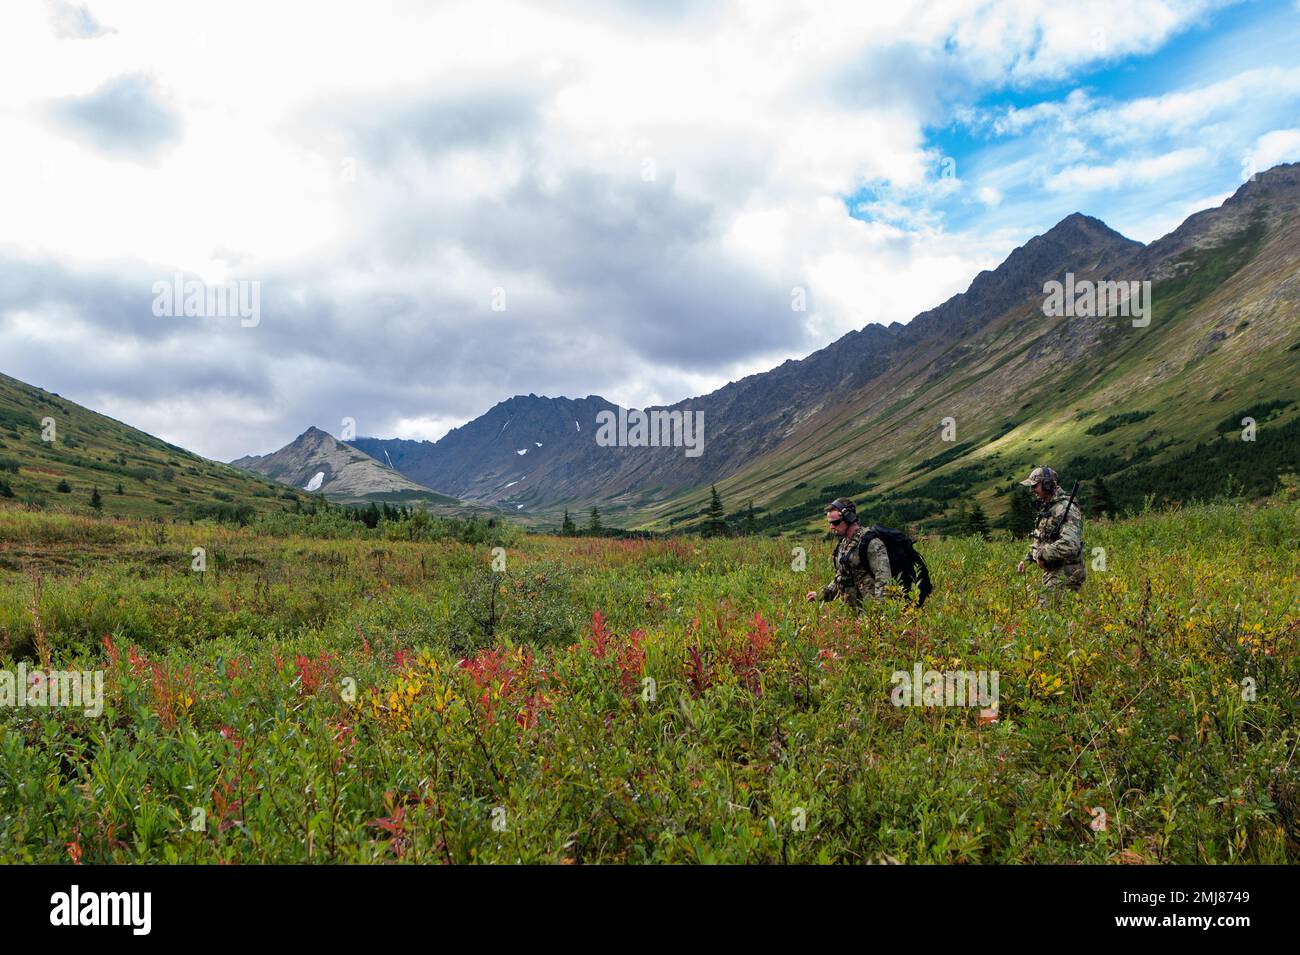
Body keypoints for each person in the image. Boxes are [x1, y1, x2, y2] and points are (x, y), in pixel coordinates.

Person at [805, 497, 892, 608]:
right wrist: (821, 595)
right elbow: (841, 579)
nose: (832, 527)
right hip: (853, 612)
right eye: (830, 523)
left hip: (871, 613)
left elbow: (884, 580)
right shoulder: (843, 544)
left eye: (835, 522)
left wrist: (879, 615)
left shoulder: (872, 543)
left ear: (849, 518)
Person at [1015, 466, 1085, 600]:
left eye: (1035, 486)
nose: (1032, 490)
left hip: (1067, 572)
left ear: (1047, 485)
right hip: (1054, 572)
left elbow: (1070, 544)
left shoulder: (1065, 508)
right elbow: (1044, 538)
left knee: (1047, 613)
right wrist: (1029, 559)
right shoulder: (1048, 506)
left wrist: (1042, 554)